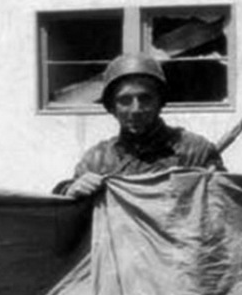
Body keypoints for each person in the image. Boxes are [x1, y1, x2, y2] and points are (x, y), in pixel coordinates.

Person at [57, 52, 224, 198]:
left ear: (160, 102)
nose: (136, 109)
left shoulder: (195, 151)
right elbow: (66, 216)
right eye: (125, 100)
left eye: (145, 99)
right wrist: (70, 190)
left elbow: (225, 210)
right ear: (112, 108)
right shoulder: (97, 160)